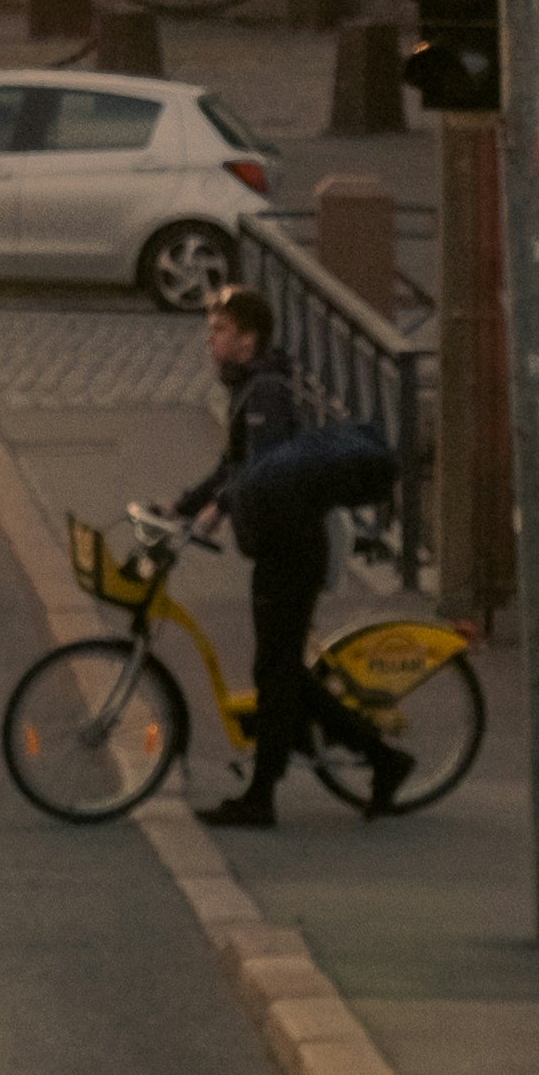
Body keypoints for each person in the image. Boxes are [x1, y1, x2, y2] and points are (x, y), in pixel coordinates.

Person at [176, 285, 408, 826]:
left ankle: (271, 792)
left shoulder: (266, 396)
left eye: (222, 331)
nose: (211, 339)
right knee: (278, 673)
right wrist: (182, 505)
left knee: (276, 673)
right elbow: (231, 467)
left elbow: (262, 473)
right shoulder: (248, 390)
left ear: (248, 339)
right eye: (211, 329)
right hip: (279, 543)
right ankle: (357, 757)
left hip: (292, 546)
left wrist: (219, 510)